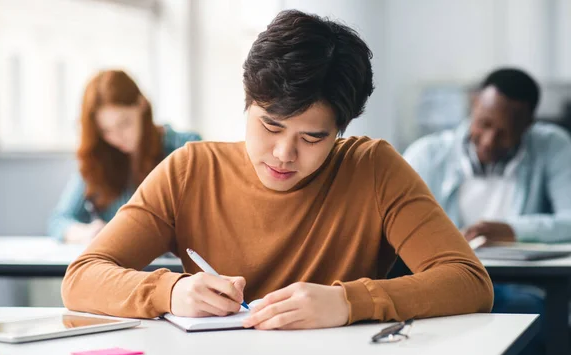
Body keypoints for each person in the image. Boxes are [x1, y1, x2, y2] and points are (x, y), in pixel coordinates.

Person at [62, 10, 493, 331]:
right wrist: (170, 291)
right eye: (270, 125)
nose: (284, 154)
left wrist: (349, 302)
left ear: (340, 130)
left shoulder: (373, 168)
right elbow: (82, 276)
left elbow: (469, 282)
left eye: (313, 138)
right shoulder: (190, 169)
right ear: (247, 102)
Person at [404, 68, 571, 355]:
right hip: (445, 280)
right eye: (483, 124)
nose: (489, 141)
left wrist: (512, 229)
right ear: (474, 104)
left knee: (520, 313)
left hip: (518, 285)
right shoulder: (427, 154)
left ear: (528, 125)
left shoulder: (552, 146)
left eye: (504, 132)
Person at [48, 70, 201, 243]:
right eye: (106, 130)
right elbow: (59, 221)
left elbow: (204, 218)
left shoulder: (185, 146)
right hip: (119, 267)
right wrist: (89, 232)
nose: (117, 136)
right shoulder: (98, 158)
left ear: (141, 105)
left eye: (124, 123)